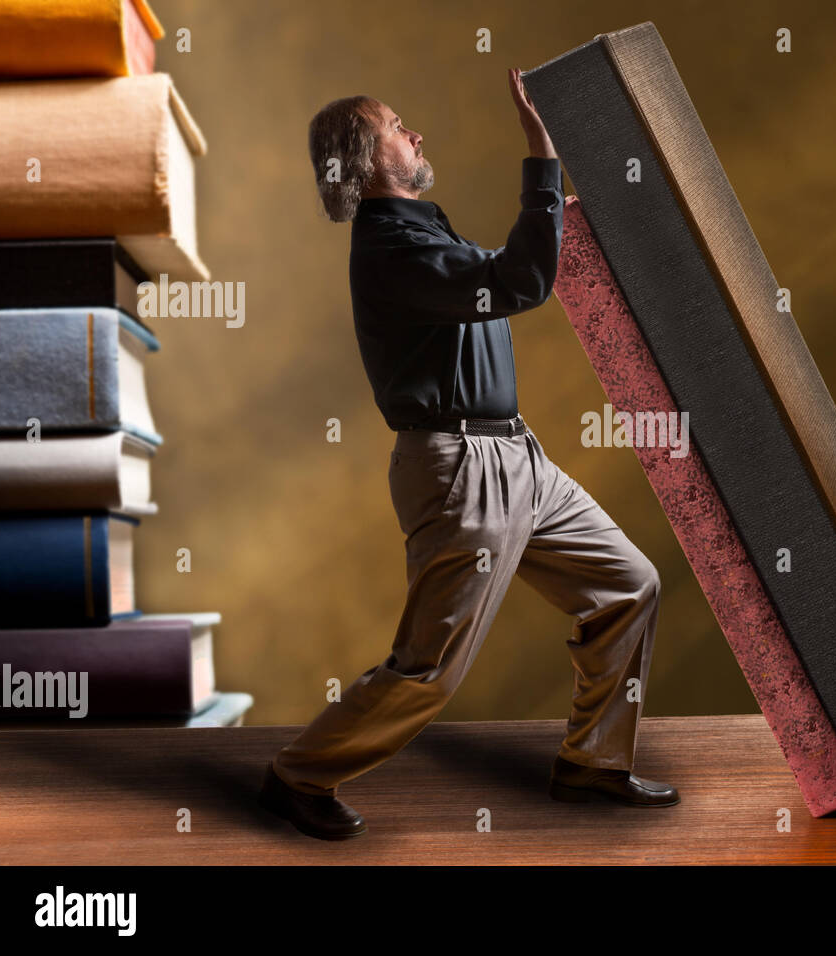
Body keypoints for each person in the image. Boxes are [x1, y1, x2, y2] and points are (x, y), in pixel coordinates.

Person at [257, 69, 678, 841]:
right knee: (432, 666)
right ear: (366, 155)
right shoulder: (390, 249)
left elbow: (510, 270)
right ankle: (299, 773)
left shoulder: (426, 232)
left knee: (629, 586)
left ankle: (592, 762)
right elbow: (519, 281)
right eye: (396, 126)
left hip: (520, 461)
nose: (415, 134)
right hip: (461, 471)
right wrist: (541, 154)